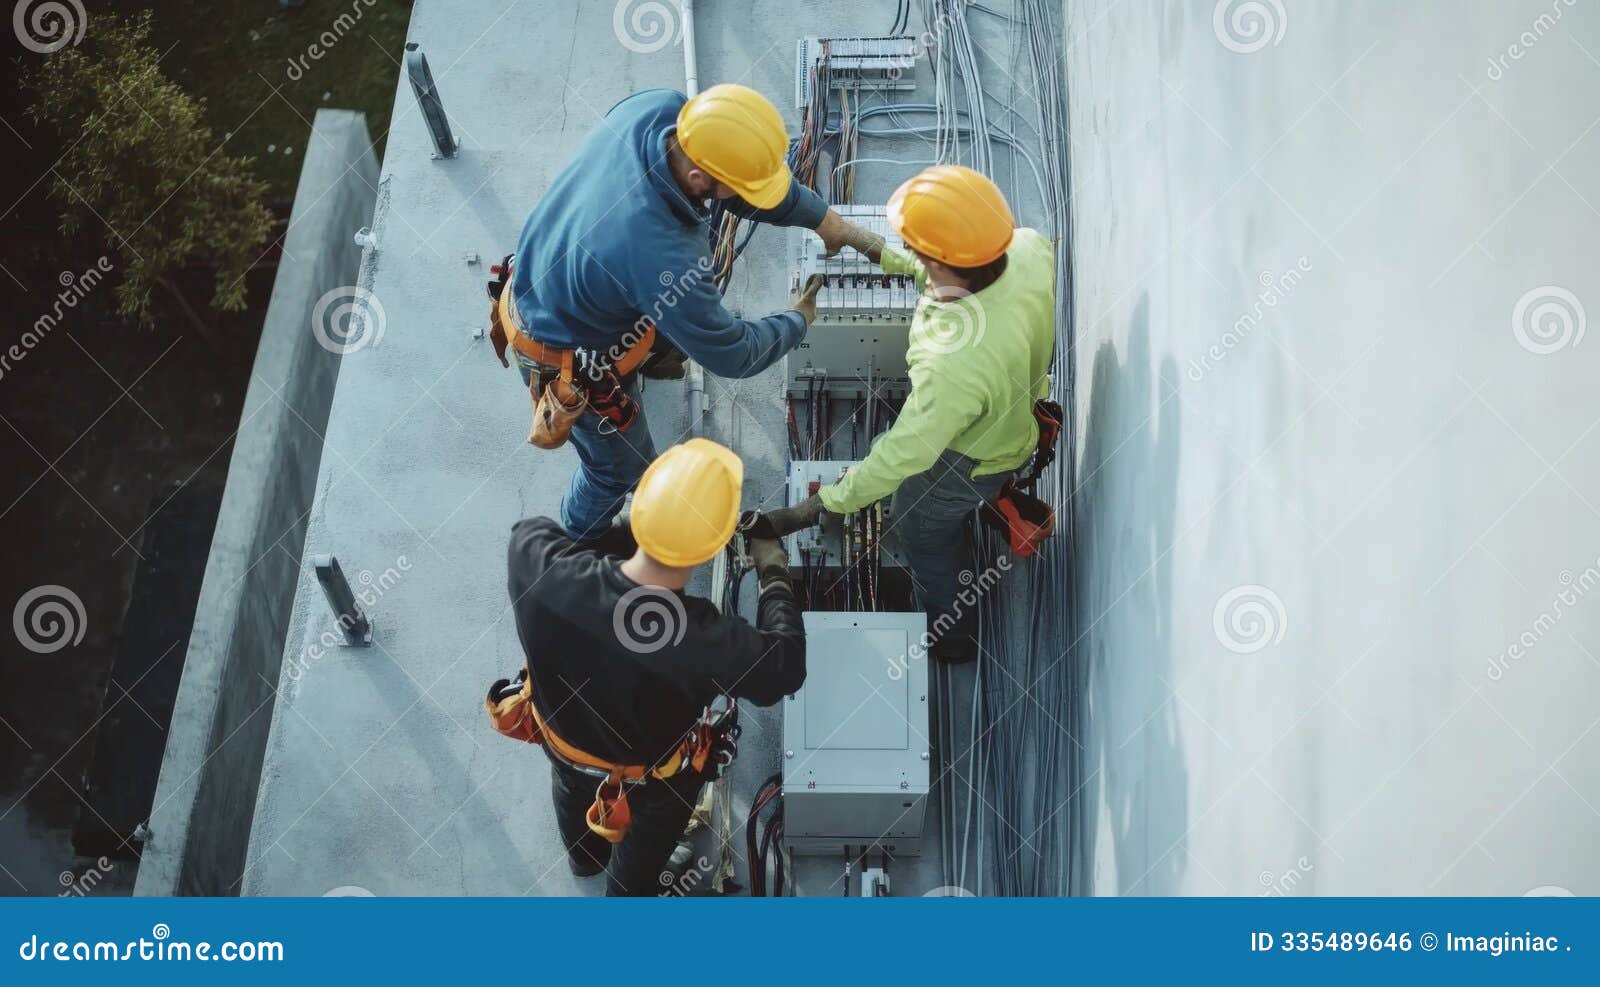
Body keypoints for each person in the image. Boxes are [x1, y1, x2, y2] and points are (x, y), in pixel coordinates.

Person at [490, 82, 879, 544]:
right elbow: (734, 355)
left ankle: (650, 353)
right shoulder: (665, 255)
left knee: (670, 304)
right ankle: (575, 542)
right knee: (617, 471)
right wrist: (799, 319)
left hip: (548, 273)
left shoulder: (657, 109)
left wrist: (823, 219)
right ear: (698, 180)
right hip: (561, 354)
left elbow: (733, 186)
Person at [753, 165, 1055, 662]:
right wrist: (867, 245)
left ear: (940, 260)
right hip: (1014, 407)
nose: (910, 248)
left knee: (918, 522)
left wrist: (822, 505)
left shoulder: (951, 365)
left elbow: (900, 456)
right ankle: (991, 502)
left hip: (976, 458)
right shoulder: (1027, 247)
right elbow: (950, 282)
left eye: (916, 246)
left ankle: (955, 633)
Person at [499, 438, 803, 896]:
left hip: (561, 743)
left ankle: (585, 859)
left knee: (572, 785)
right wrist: (774, 573)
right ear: (713, 543)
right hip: (651, 781)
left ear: (640, 510)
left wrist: (637, 533)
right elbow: (783, 669)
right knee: (644, 851)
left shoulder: (534, 560)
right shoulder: (706, 641)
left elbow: (571, 534)